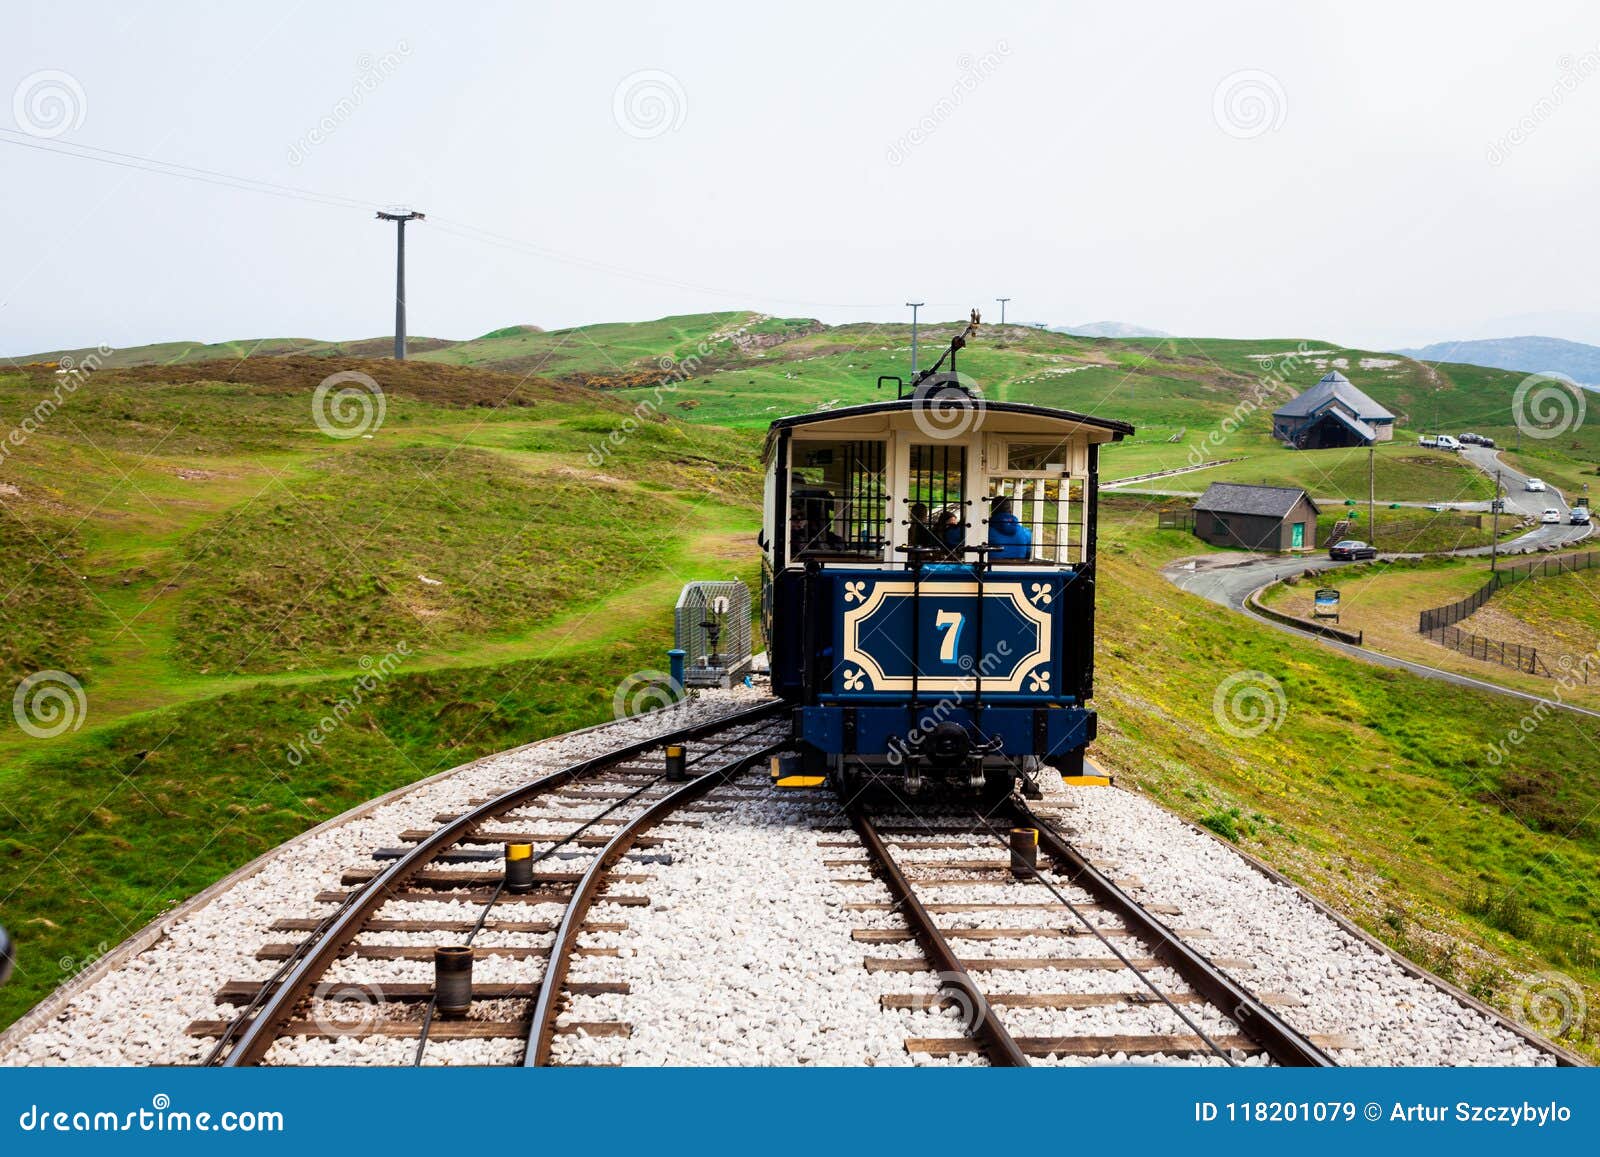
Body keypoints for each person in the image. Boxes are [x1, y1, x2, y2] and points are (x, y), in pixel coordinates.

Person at [987, 496, 1033, 560]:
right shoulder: (1025, 532)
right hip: (1018, 567)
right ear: (1010, 510)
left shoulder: (986, 531)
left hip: (992, 568)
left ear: (992, 510)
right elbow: (1029, 553)